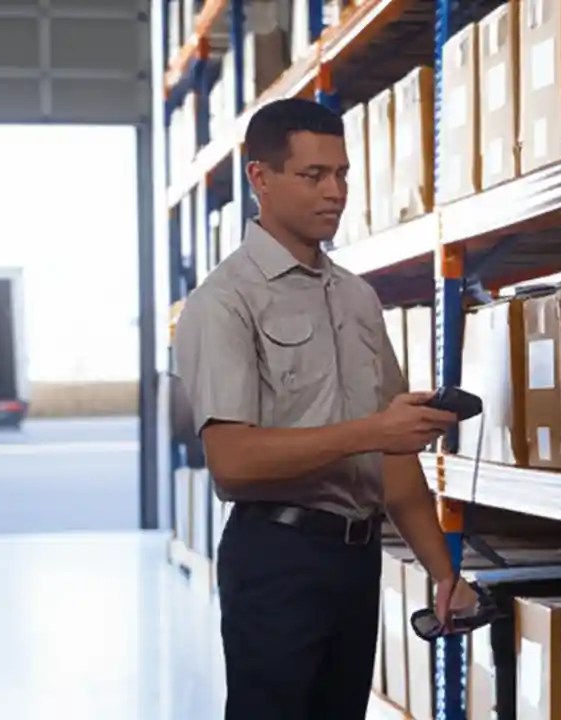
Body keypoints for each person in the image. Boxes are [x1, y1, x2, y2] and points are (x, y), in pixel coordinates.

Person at [173, 98, 479, 720]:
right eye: (313, 176)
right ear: (261, 178)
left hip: (355, 557)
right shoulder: (225, 302)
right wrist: (372, 429)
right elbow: (231, 463)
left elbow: (393, 455)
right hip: (277, 557)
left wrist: (442, 572)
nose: (334, 191)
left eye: (341, 174)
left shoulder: (357, 297)